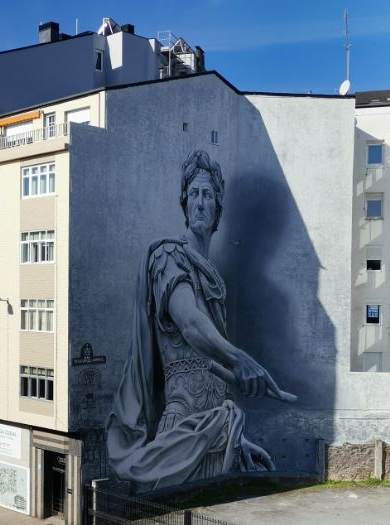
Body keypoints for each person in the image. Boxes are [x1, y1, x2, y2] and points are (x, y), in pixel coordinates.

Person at [106, 150, 295, 492]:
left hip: (217, 434)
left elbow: (210, 368)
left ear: (218, 207)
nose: (200, 202)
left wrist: (238, 440)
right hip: (180, 435)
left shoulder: (212, 277)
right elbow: (190, 322)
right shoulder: (168, 258)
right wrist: (242, 359)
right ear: (184, 203)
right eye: (193, 194)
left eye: (208, 195)